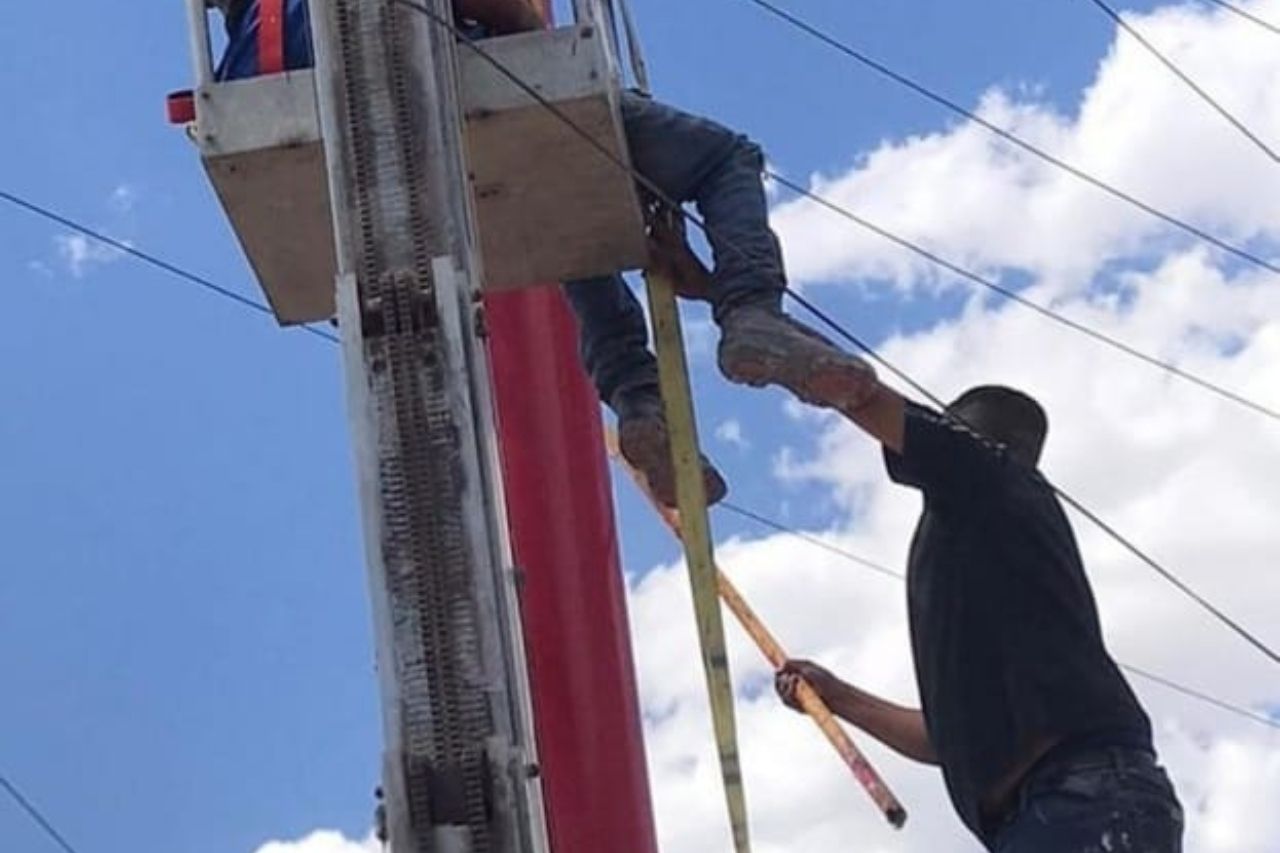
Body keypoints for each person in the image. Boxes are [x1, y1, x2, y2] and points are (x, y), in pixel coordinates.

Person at [207, 0, 875, 508]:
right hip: (435, 82)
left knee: (564, 215)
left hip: (270, 98)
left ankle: (642, 406)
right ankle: (752, 310)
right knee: (714, 156)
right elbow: (514, 17)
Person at [774, 384, 1184, 852]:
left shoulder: (992, 478)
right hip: (1057, 811)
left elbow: (863, 396)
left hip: (1081, 797)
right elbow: (947, 738)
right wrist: (839, 697)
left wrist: (769, 336)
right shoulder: (981, 545)